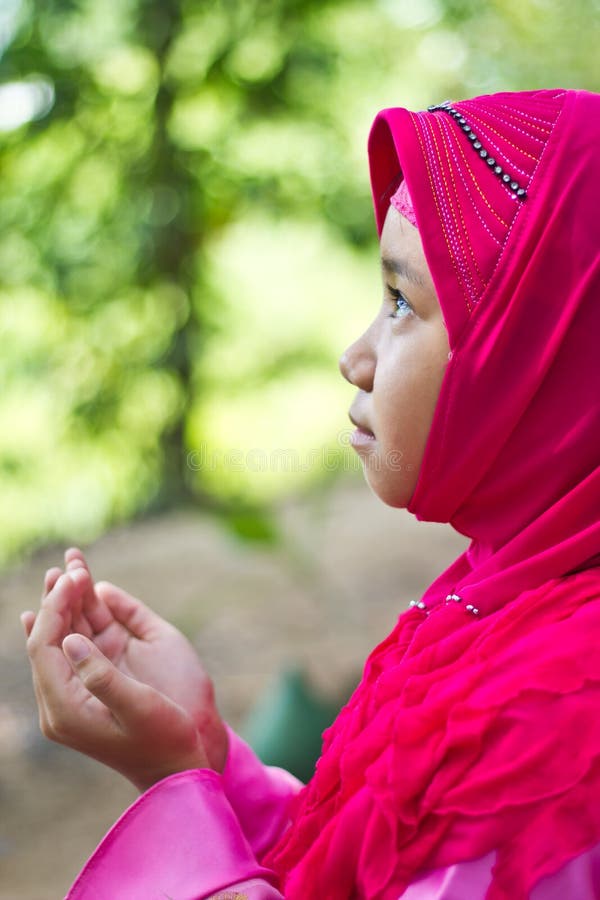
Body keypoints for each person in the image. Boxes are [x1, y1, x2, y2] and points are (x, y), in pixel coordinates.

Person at [22, 86, 600, 898]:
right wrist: (208, 755)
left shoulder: (553, 724)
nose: (355, 356)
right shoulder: (496, 601)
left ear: (543, 354)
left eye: (402, 301)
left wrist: (171, 792)